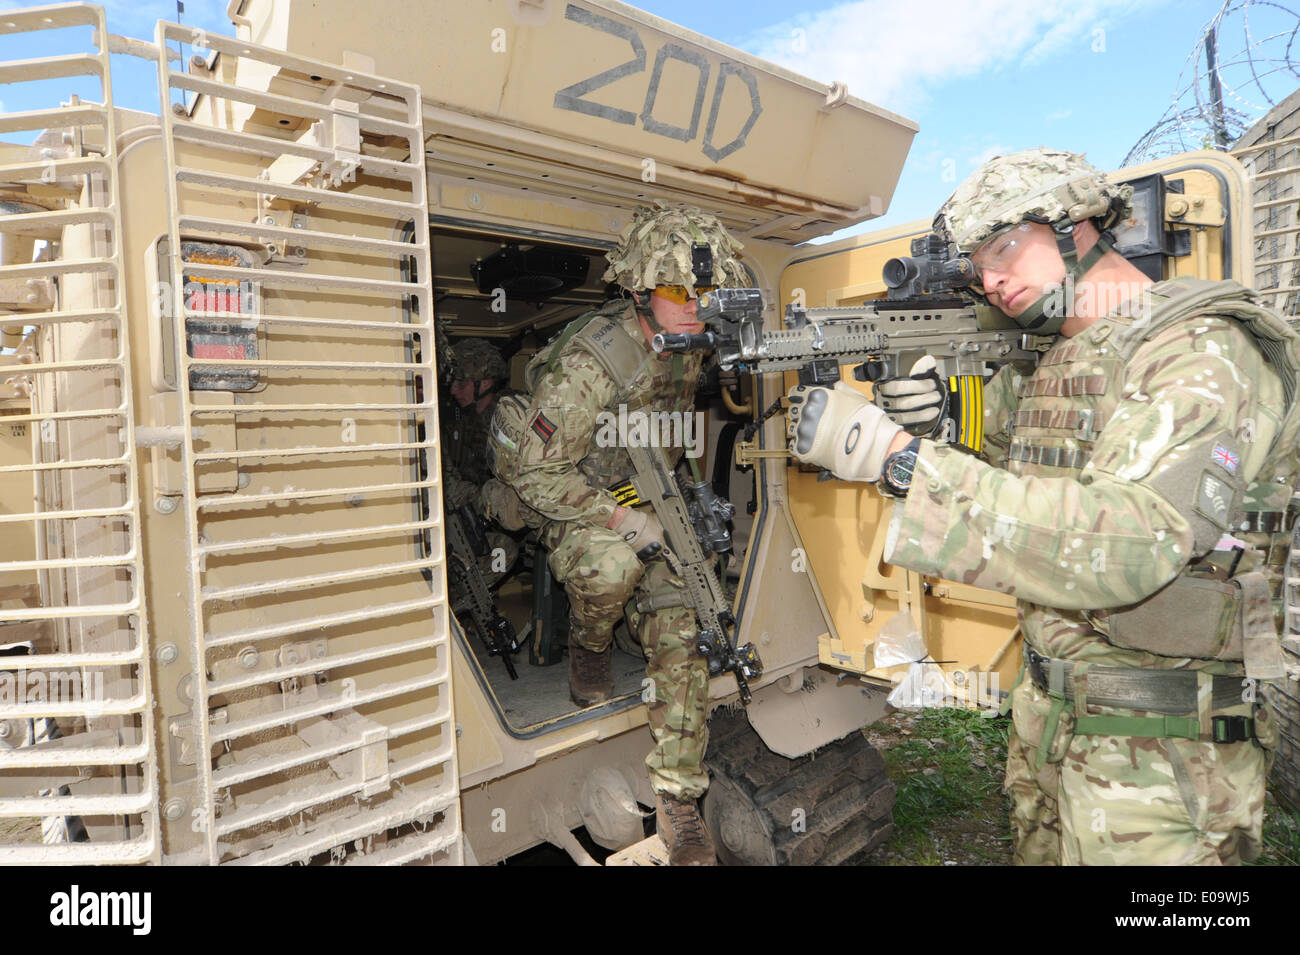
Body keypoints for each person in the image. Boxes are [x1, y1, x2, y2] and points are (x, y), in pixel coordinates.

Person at [786, 148, 1297, 865]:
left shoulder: (1201, 350)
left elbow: (1133, 542)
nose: (991, 280)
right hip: (1054, 720)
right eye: (977, 265)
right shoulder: (1056, 359)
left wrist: (901, 457)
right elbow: (1031, 506)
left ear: (1077, 222)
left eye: (1003, 247)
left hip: (1165, 756)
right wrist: (936, 432)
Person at [484, 203, 747, 865]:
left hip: (645, 486)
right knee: (611, 568)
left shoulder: (686, 340)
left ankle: (680, 797)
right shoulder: (594, 361)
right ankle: (588, 645)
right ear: (638, 292)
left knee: (687, 606)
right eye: (678, 292)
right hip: (573, 493)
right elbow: (536, 470)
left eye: (705, 294)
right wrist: (626, 521)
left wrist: (671, 515)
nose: (696, 306)